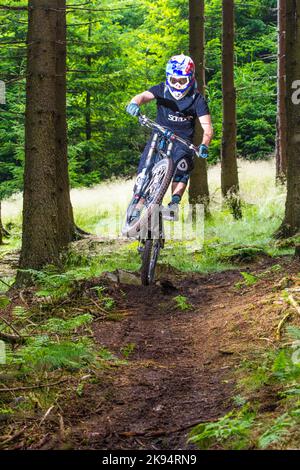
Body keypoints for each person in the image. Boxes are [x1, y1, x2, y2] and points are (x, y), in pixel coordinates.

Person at [126, 54, 213, 221]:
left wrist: (204, 144)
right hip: (159, 133)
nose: (178, 85)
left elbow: (207, 127)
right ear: (168, 78)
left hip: (182, 140)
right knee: (146, 165)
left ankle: (173, 205)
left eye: (182, 81)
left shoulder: (197, 99)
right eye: (174, 80)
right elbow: (143, 96)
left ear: (190, 79)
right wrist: (134, 103)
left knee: (183, 166)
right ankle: (138, 203)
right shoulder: (162, 89)